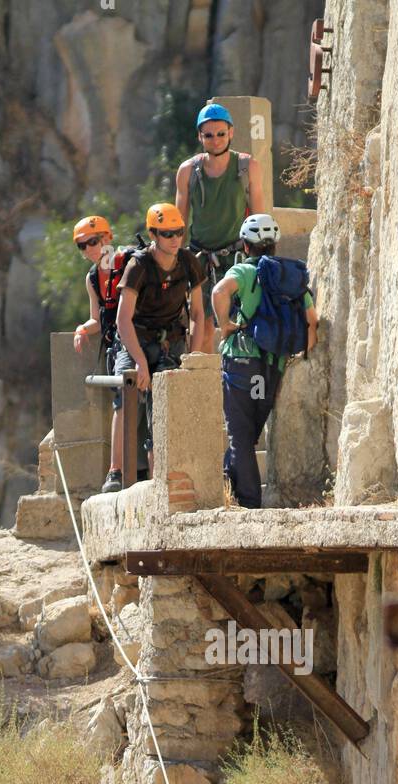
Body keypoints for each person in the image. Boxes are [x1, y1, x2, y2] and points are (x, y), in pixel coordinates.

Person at [212, 213, 318, 509]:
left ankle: (248, 506)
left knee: (240, 436)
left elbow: (219, 291)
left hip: (241, 363)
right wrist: (296, 355)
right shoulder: (289, 276)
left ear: (245, 246)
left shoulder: (245, 272)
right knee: (247, 434)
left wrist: (224, 325)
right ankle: (227, 485)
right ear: (274, 245)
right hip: (272, 368)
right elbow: (313, 322)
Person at [104, 202, 206, 492]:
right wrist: (139, 362)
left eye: (179, 232)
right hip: (135, 339)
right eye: (167, 234)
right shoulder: (139, 266)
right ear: (153, 235)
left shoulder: (188, 262)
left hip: (168, 341)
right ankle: (116, 471)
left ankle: (158, 477)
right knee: (128, 392)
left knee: (162, 405)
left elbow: (199, 314)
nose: (175, 239)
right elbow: (123, 320)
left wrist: (193, 356)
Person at [176, 101, 264, 355]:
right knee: (201, 325)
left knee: (240, 321)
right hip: (199, 257)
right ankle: (200, 383)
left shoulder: (247, 167)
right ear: (200, 137)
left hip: (236, 254)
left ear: (231, 133)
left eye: (221, 134)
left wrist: (260, 258)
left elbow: (258, 216)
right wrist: (175, 263)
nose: (215, 140)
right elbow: (179, 222)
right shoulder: (188, 171)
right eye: (209, 135)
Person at [72, 215, 128, 481]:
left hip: (141, 337)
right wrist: (83, 329)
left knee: (138, 402)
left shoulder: (129, 261)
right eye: (82, 245)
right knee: (123, 402)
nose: (89, 249)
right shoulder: (93, 278)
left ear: (108, 237)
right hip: (115, 344)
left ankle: (125, 470)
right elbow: (97, 317)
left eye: (93, 241)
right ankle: (118, 470)